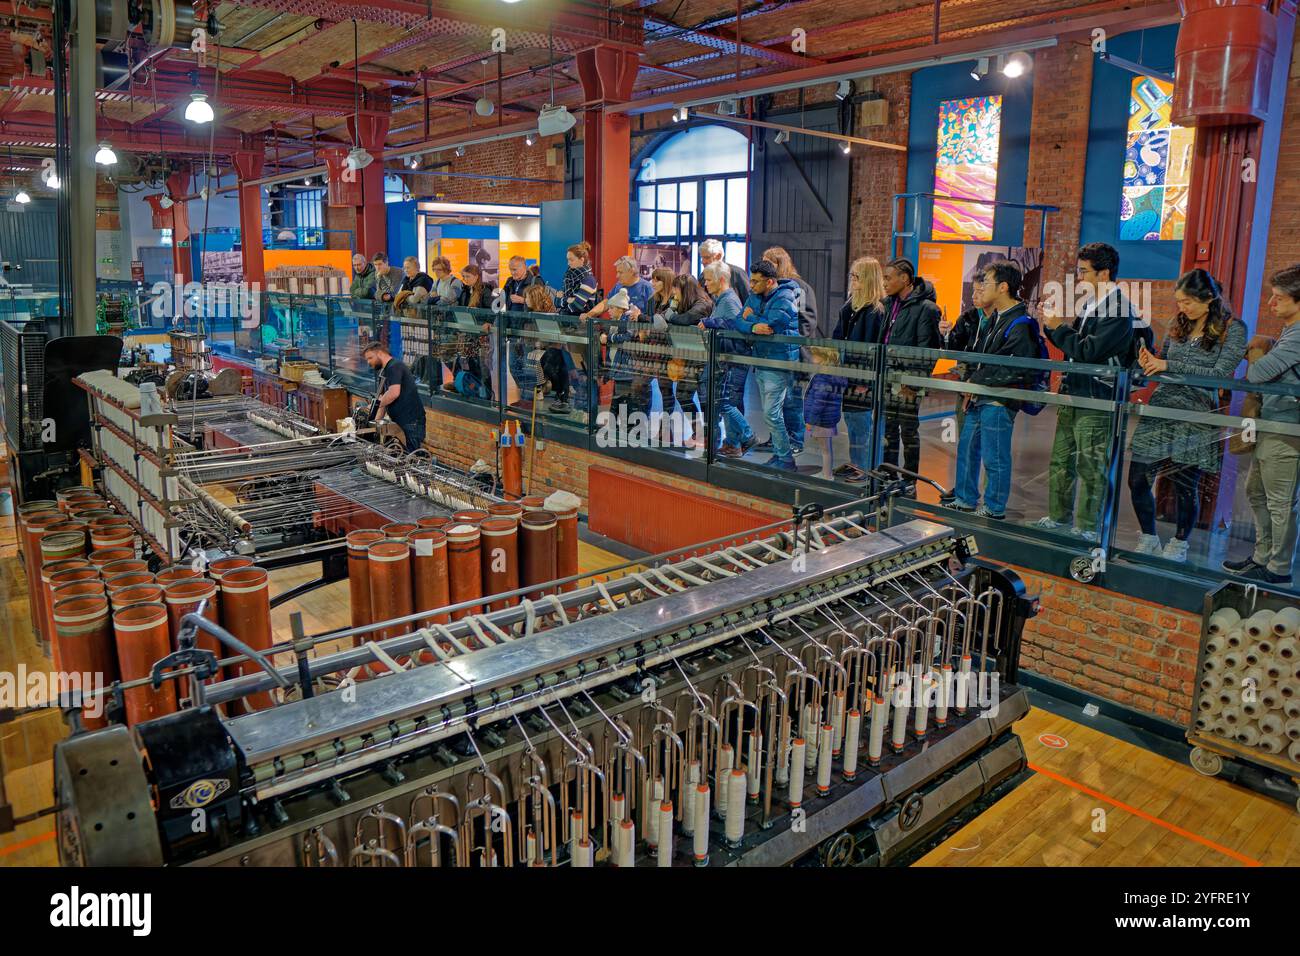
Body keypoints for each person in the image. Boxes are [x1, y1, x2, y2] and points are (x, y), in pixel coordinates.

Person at [1128, 270, 1247, 561]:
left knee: (1185, 485)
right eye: (1179, 302)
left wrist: (1167, 365)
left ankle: (1180, 542)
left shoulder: (1233, 329)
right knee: (1137, 478)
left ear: (1209, 299)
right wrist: (1150, 362)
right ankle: (1148, 536)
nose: (1183, 308)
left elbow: (1220, 375)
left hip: (1196, 413)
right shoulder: (1177, 324)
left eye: (1188, 302)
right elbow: (1164, 363)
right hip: (1162, 407)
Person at [1034, 243, 1139, 541]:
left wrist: (1059, 328)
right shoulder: (1092, 304)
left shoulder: (1118, 309)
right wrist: (1052, 327)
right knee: (1061, 460)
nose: (1079, 278)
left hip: (1097, 399)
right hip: (1073, 393)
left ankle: (1088, 527)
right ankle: (1058, 517)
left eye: (1084, 272)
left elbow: (1089, 351)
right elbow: (1075, 347)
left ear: (1104, 273)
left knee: (1091, 466)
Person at [949, 260, 1043, 519]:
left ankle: (994, 507)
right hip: (980, 396)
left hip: (999, 400)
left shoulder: (1021, 323)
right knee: (967, 449)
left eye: (986, 283)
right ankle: (965, 498)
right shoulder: (996, 319)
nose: (979, 288)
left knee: (995, 456)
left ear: (1003, 287)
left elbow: (1016, 368)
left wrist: (977, 379)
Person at [1224, 265, 1300, 583]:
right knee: (1256, 491)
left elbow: (1256, 374)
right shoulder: (1289, 333)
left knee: (1281, 502)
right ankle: (1262, 556)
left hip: (1287, 428)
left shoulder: (1298, 335)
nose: (1270, 303)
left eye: (1278, 297)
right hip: (1274, 423)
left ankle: (1278, 567)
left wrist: (1259, 349)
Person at [881, 258, 942, 485]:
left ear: (904, 279)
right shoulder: (887, 304)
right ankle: (889, 473)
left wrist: (913, 384)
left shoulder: (926, 309)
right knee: (888, 428)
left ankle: (909, 478)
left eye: (888, 277)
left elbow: (928, 351)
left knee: (908, 430)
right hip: (887, 378)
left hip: (907, 382)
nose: (884, 283)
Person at [737, 259, 801, 471]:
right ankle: (780, 454)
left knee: (771, 414)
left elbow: (773, 324)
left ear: (770, 281)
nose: (751, 286)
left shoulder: (786, 296)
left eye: (755, 281)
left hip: (778, 362)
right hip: (762, 360)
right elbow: (738, 320)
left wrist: (751, 320)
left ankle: (786, 459)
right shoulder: (755, 296)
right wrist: (755, 325)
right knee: (771, 414)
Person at [758, 246, 818, 455]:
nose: (765, 265)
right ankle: (777, 438)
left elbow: (806, 322)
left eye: (769, 262)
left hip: (793, 355)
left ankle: (795, 440)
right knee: (774, 402)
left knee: (792, 401)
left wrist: (784, 338)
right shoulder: (767, 288)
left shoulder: (799, 288)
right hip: (771, 355)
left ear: (779, 264)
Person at [833, 257, 887, 484]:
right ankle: (856, 463)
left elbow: (873, 348)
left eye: (857, 276)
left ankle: (865, 467)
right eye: (852, 276)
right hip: (848, 372)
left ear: (867, 280)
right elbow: (839, 335)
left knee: (862, 424)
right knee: (852, 420)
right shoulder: (851, 304)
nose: (852, 280)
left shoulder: (876, 310)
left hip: (862, 377)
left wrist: (865, 380)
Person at [701, 262, 754, 458]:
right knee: (727, 401)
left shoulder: (729, 300)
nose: (705, 284)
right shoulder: (722, 300)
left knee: (726, 402)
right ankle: (733, 444)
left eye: (708, 280)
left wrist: (709, 322)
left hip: (733, 360)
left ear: (721, 280)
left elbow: (735, 325)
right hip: (726, 359)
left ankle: (745, 436)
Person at [364, 342, 425, 452]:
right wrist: (374, 426)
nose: (369, 362)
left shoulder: (395, 366)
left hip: (411, 421)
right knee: (402, 455)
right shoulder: (384, 372)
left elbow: (393, 393)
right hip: (399, 422)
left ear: (380, 353)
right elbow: (383, 400)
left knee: (412, 456)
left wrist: (374, 406)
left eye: (370, 358)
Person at [804, 347, 848, 480]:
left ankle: (827, 475)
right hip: (827, 418)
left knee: (825, 450)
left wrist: (810, 421)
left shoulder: (823, 378)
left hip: (821, 420)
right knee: (826, 449)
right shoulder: (833, 376)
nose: (811, 358)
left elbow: (818, 402)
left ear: (824, 359)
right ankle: (825, 472)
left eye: (815, 356)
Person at [582, 255, 653, 321]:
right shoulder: (618, 286)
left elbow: (652, 317)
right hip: (617, 330)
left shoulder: (646, 288)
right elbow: (606, 303)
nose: (617, 276)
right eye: (617, 272)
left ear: (631, 271)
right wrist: (590, 314)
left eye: (620, 272)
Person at [699, 238, 749, 303]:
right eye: (702, 257)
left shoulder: (737, 273)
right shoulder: (703, 276)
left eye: (707, 257)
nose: (703, 261)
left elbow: (749, 301)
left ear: (719, 256)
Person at [558, 241, 598, 315]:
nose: (568, 263)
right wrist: (569, 300)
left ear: (581, 260)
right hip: (568, 322)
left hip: (581, 325)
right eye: (568, 259)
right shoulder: (569, 278)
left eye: (571, 260)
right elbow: (556, 302)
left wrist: (563, 300)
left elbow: (577, 307)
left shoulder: (588, 280)